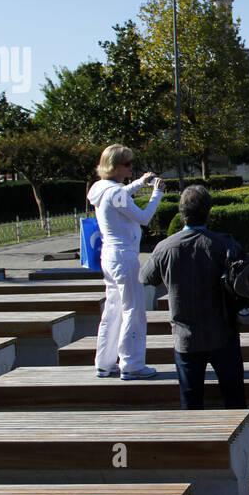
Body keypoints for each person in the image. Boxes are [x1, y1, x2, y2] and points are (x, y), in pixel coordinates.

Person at [140, 185, 249, 408]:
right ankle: (242, 441)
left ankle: (192, 441)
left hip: (185, 337)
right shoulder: (224, 244)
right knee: (234, 395)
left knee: (190, 399)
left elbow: (145, 277)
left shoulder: (165, 247)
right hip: (223, 332)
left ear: (180, 212)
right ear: (209, 212)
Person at [87, 145, 164, 379]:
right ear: (115, 167)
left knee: (112, 310)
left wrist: (140, 182)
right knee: (134, 310)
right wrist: (157, 193)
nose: (131, 167)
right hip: (124, 256)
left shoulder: (100, 188)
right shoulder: (116, 193)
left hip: (109, 256)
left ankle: (104, 361)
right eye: (127, 164)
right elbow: (144, 217)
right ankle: (131, 364)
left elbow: (119, 196)